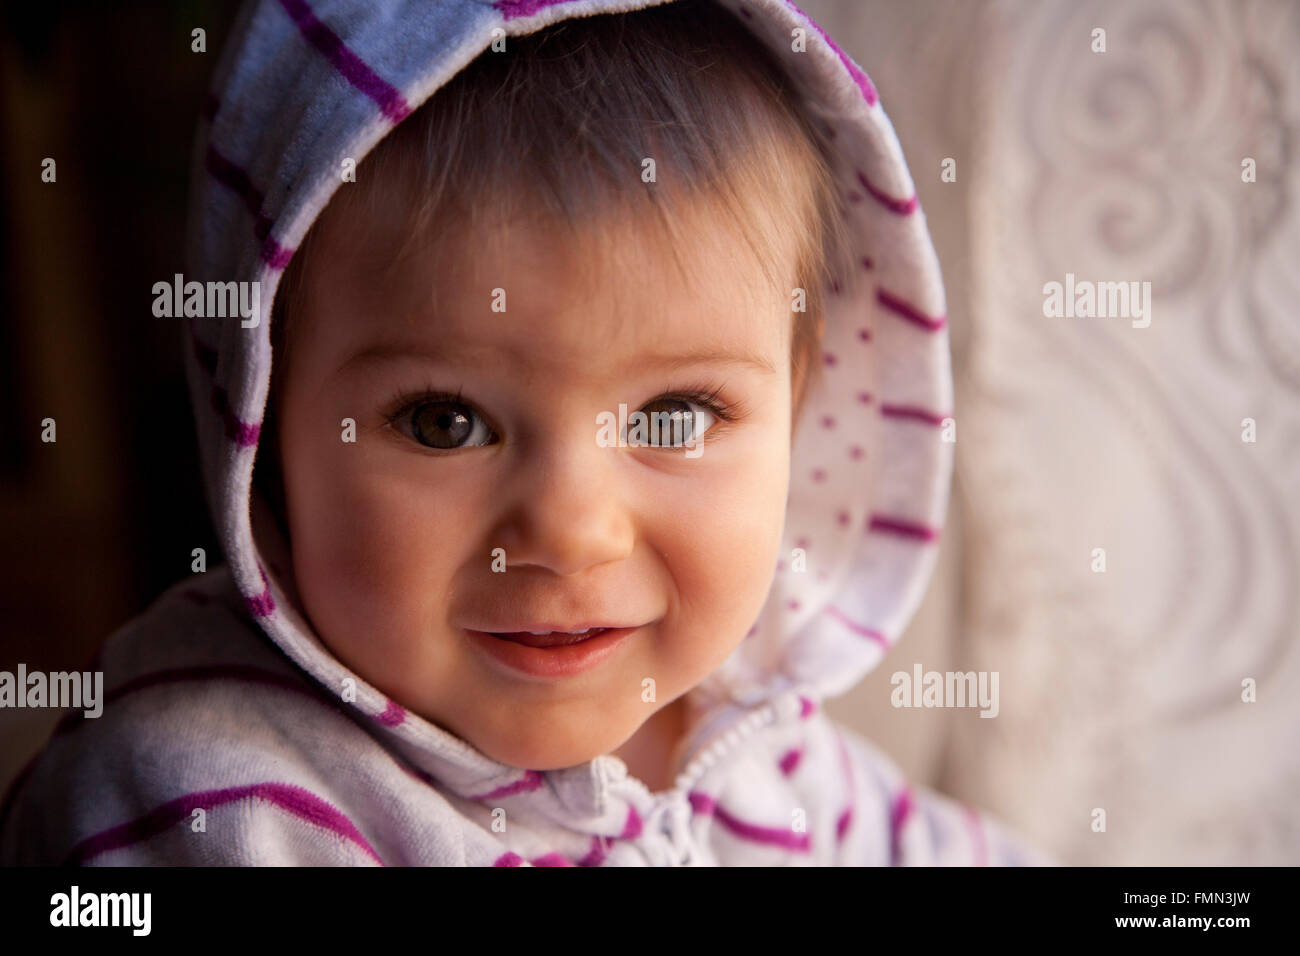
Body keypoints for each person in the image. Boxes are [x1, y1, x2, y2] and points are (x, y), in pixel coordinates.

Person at [0, 0, 1054, 866]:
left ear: (801, 398)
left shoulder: (764, 757)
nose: (569, 532)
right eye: (444, 421)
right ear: (261, 419)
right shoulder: (200, 795)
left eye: (675, 415)